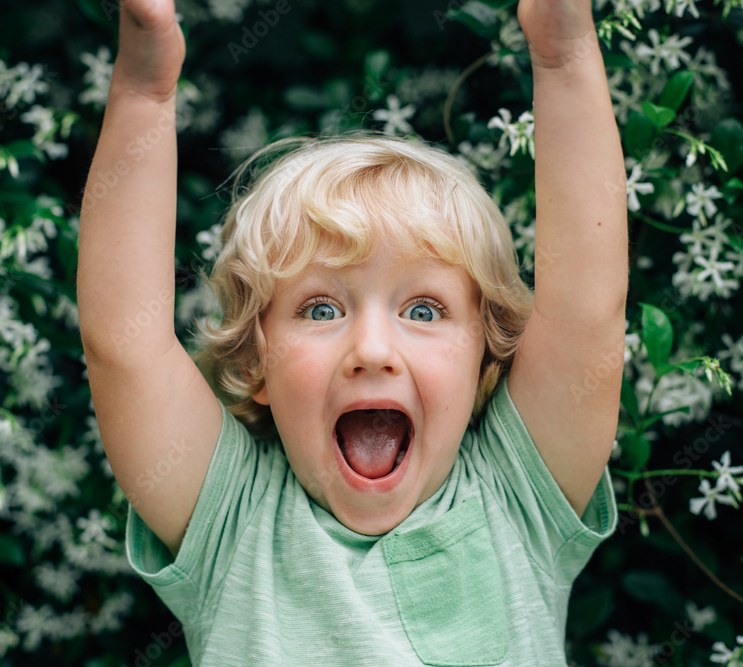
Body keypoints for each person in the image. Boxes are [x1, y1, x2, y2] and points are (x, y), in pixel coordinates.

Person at [77, 0, 628, 664]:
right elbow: (124, 347)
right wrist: (143, 87)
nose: (371, 350)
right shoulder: (231, 521)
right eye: (321, 309)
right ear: (257, 358)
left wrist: (563, 52)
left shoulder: (518, 494)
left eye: (423, 310)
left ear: (485, 356)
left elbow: (587, 311)